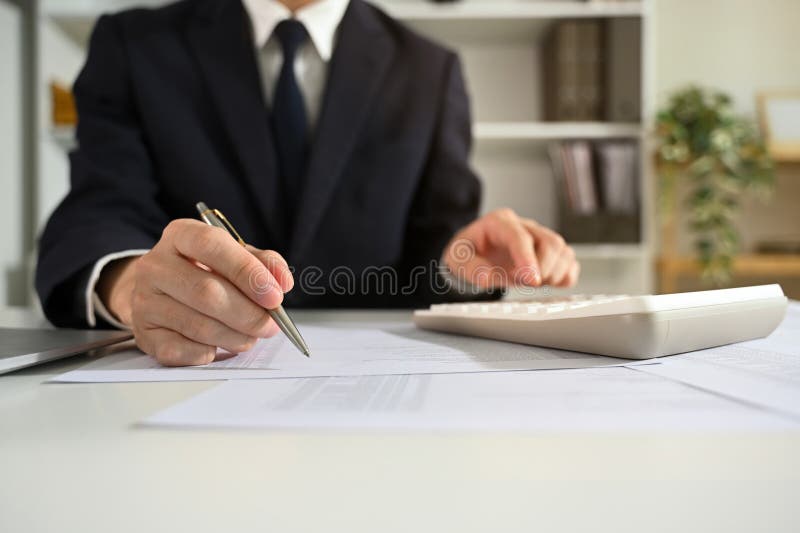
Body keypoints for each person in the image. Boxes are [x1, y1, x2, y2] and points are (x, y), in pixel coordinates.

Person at [35, 0, 579, 366]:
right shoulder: (134, 44)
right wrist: (132, 287)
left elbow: (428, 251)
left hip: (376, 396)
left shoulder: (429, 69)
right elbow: (98, 206)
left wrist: (459, 266)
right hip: (181, 380)